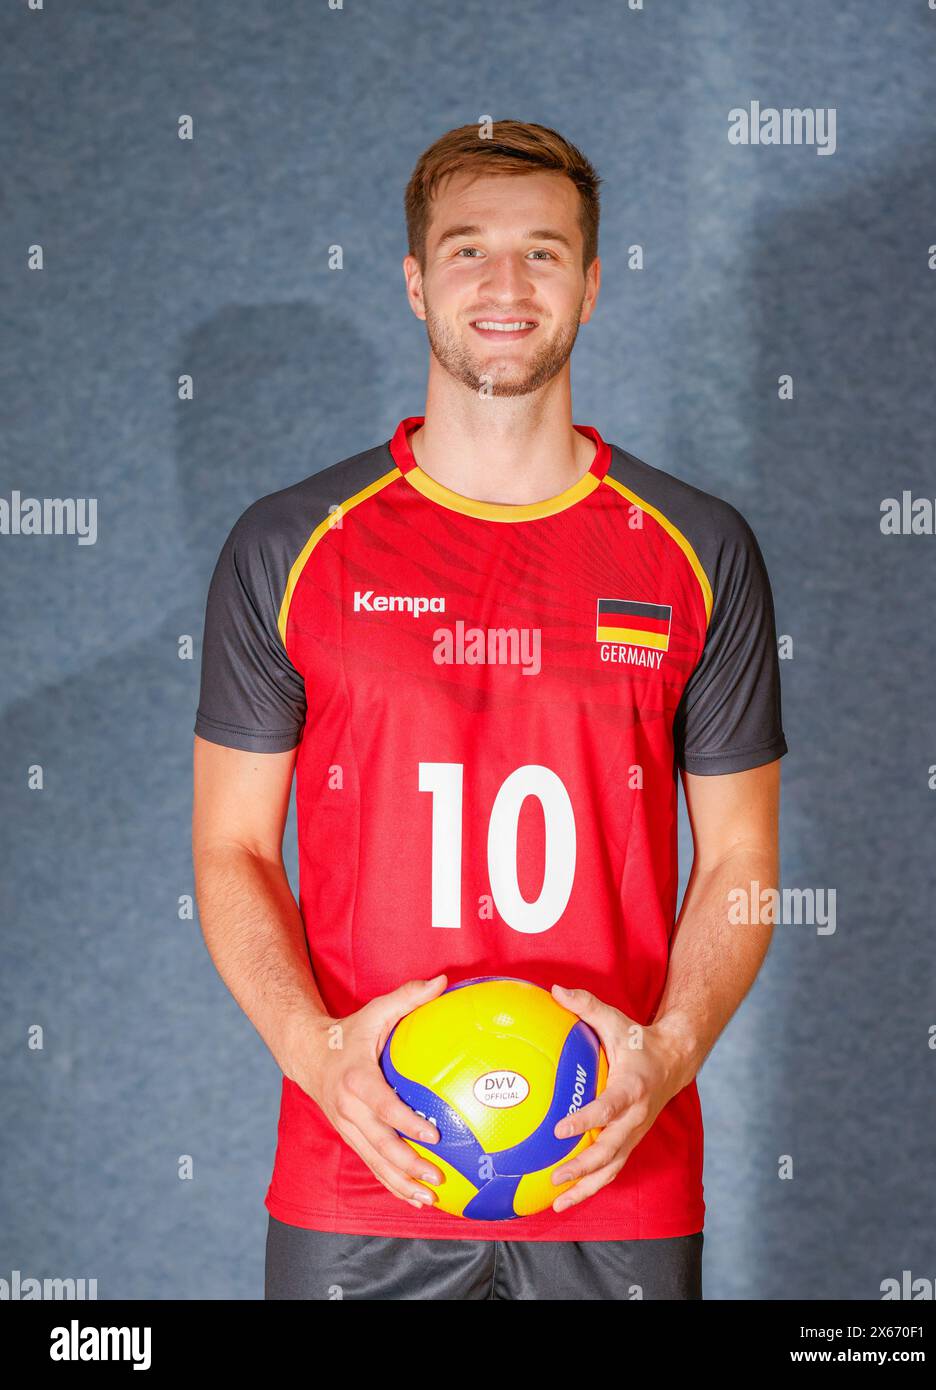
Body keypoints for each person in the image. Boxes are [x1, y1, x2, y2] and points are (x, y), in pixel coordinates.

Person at [192, 119, 787, 1301]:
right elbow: (231, 848)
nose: (506, 286)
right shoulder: (291, 544)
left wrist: (665, 1059)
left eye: (544, 253)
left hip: (610, 1172)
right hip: (363, 1171)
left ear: (593, 282)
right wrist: (317, 1057)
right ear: (416, 281)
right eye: (468, 251)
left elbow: (743, 862)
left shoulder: (697, 548)